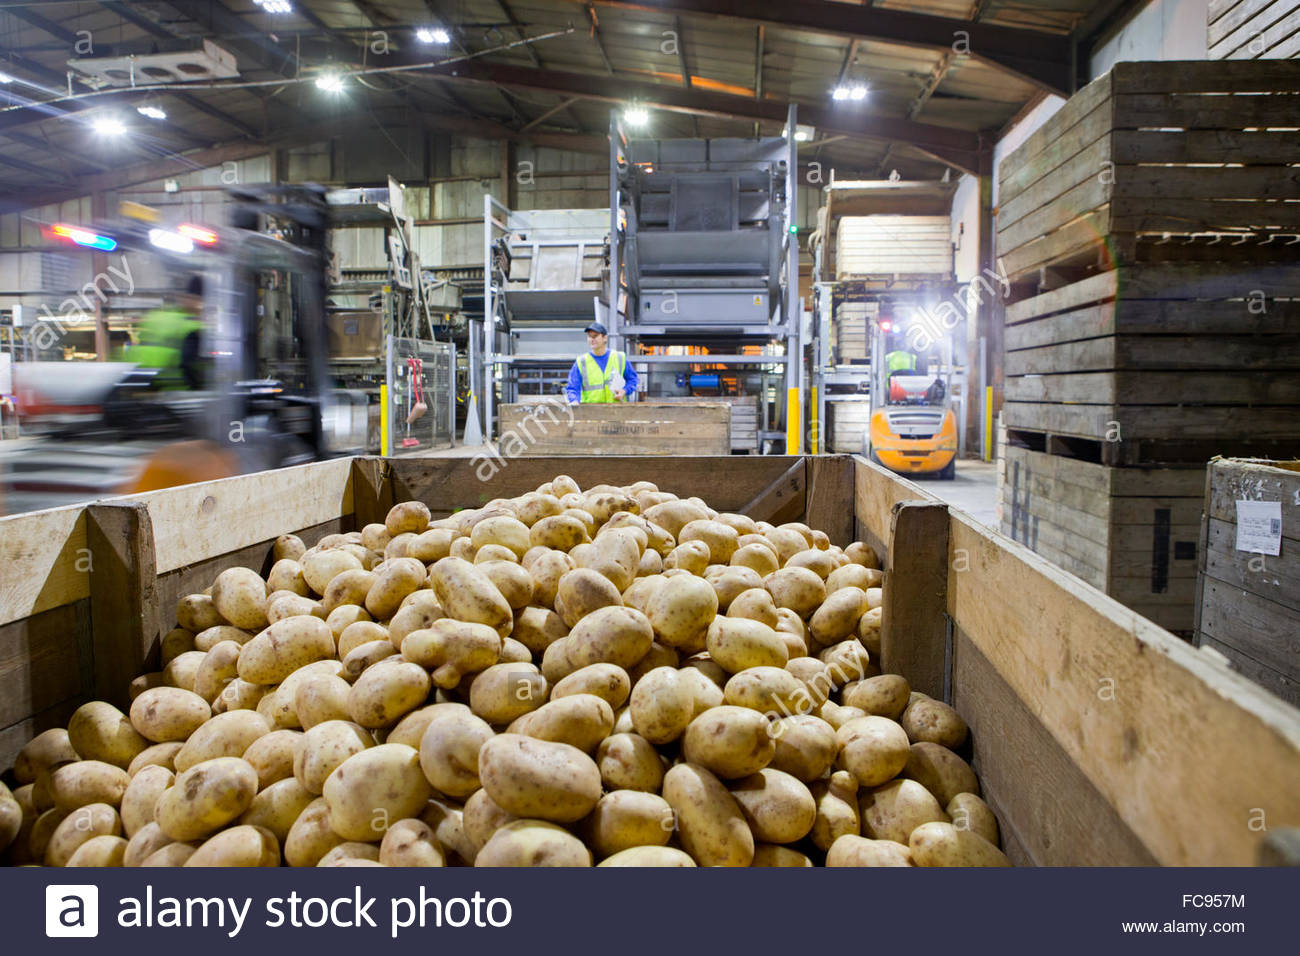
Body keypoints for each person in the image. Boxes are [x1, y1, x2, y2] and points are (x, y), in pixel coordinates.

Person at [131, 274, 205, 390]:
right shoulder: (191, 327)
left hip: (142, 385)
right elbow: (190, 366)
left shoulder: (154, 317)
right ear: (196, 300)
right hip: (175, 389)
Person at [564, 322, 638, 404]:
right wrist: (574, 401)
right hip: (591, 412)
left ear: (605, 338)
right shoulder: (581, 362)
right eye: (589, 336)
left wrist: (624, 391)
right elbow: (572, 388)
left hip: (616, 411)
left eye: (595, 336)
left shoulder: (620, 358)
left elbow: (633, 380)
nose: (592, 339)